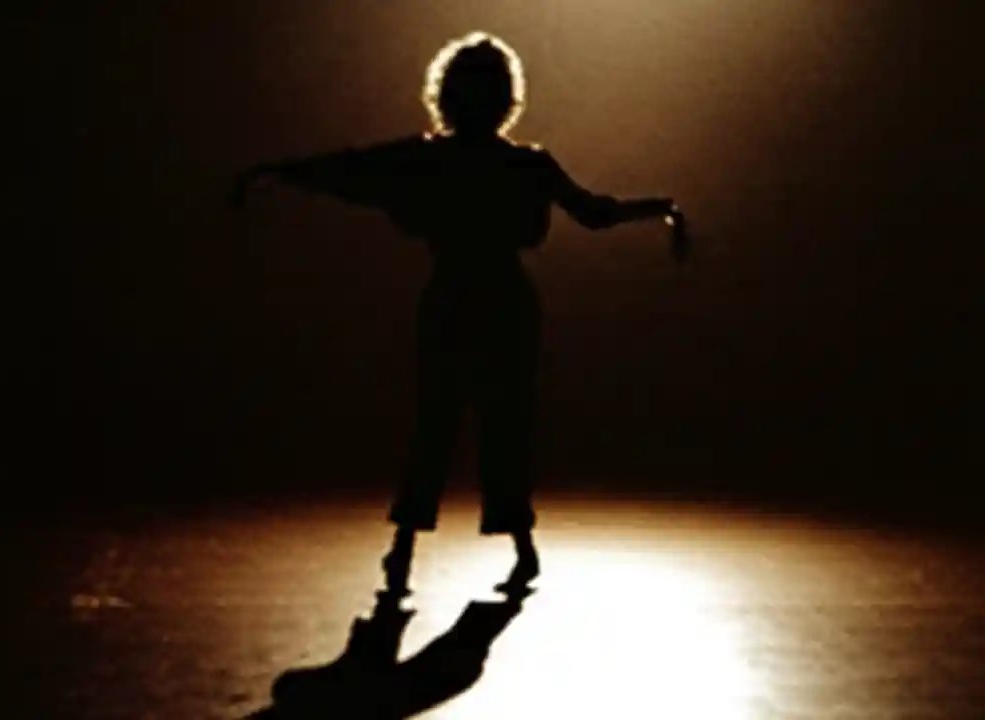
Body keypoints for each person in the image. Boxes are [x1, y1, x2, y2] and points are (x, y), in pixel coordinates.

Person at [233, 32, 687, 596]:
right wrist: (661, 210)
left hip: (450, 297)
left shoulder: (428, 160)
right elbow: (595, 213)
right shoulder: (527, 165)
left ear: (446, 94)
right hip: (505, 302)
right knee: (505, 423)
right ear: (506, 97)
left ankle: (403, 552)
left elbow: (346, 172)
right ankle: (520, 549)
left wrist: (275, 171)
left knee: (436, 422)